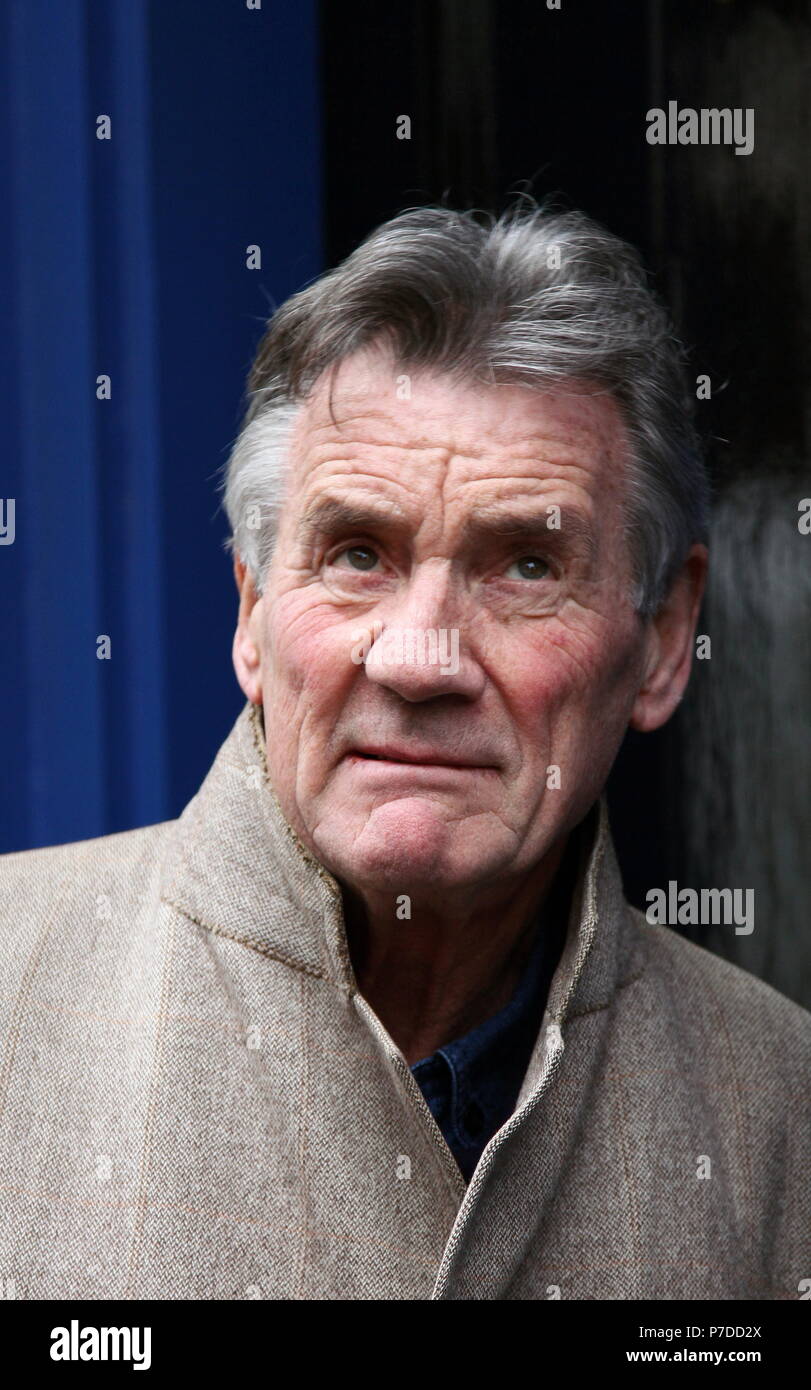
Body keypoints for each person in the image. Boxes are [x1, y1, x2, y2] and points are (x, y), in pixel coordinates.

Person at [0, 204, 808, 1300]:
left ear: (663, 639)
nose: (420, 659)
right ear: (250, 613)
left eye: (525, 565)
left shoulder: (779, 1108)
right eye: (359, 553)